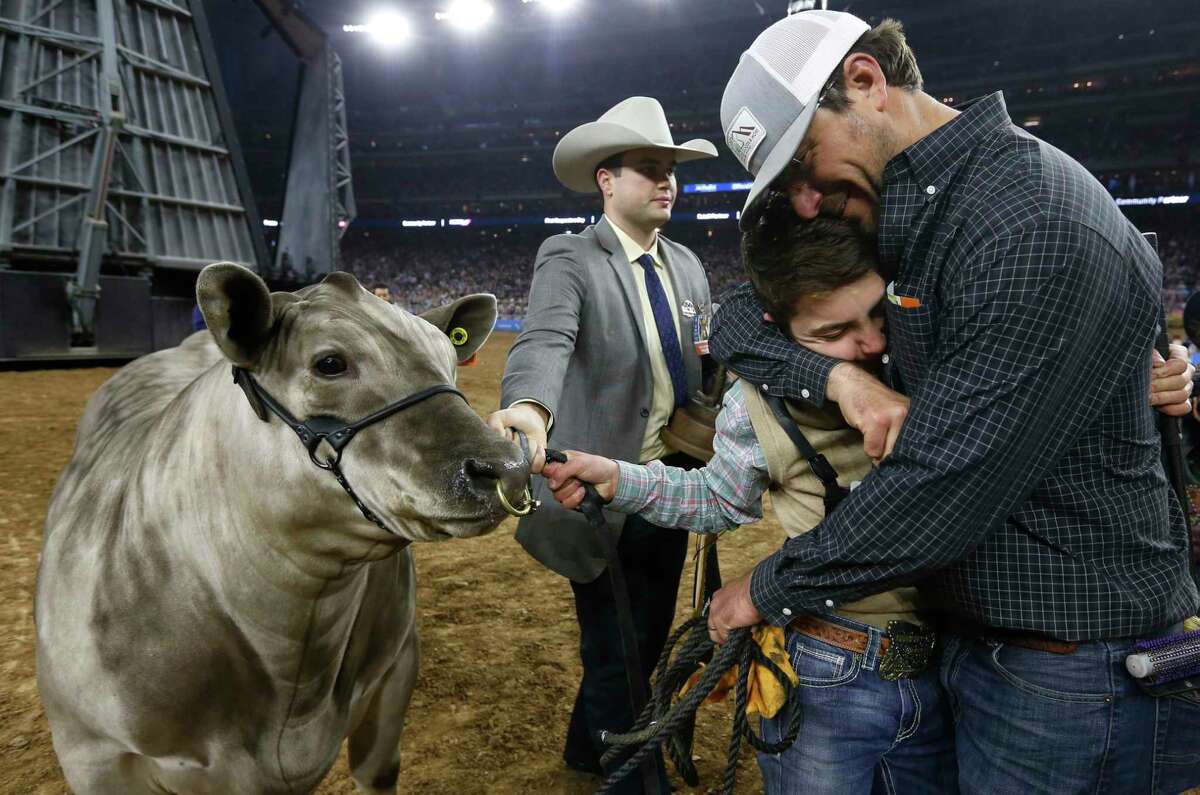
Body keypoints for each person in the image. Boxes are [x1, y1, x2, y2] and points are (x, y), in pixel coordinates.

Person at [701, 10, 1200, 792]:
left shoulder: (1020, 221)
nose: (803, 203)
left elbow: (939, 492)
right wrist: (839, 376)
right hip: (1013, 662)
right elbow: (738, 315)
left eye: (803, 162)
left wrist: (763, 588)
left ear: (865, 82)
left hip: (1073, 678)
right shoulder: (938, 214)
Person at [544, 212, 957, 794]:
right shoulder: (753, 406)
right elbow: (718, 496)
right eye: (832, 333)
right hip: (828, 668)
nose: (870, 343)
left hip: (958, 666)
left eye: (877, 315)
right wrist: (618, 478)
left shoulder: (935, 362)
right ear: (778, 332)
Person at [486, 97, 718, 791]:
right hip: (595, 489)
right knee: (617, 645)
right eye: (649, 168)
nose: (666, 180)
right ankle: (631, 777)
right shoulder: (569, 256)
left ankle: (588, 750)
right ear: (606, 181)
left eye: (670, 168)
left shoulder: (690, 268)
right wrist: (527, 407)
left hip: (671, 484)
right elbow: (545, 340)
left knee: (642, 637)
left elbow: (700, 369)